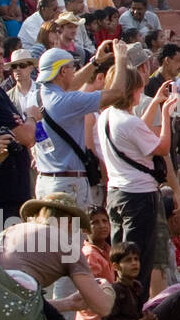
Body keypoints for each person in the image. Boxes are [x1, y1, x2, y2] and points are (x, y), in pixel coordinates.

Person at [97, 63, 180, 304]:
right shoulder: (126, 121)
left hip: (116, 194)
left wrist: (155, 102)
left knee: (120, 258)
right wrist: (165, 113)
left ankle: (123, 311)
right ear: (131, 90)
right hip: (138, 197)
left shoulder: (107, 116)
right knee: (137, 262)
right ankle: (134, 315)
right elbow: (162, 147)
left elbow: (136, 131)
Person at [33, 43, 124, 211]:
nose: (74, 71)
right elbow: (117, 92)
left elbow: (70, 84)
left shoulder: (38, 95)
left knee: (47, 236)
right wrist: (121, 59)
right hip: (67, 185)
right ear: (63, 71)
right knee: (71, 237)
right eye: (71, 67)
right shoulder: (66, 102)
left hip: (45, 181)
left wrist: (95, 62)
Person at [0, 33, 36, 230]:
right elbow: (27, 136)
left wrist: (24, 124)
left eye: (0, 55)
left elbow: (23, 133)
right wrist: (32, 117)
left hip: (13, 194)